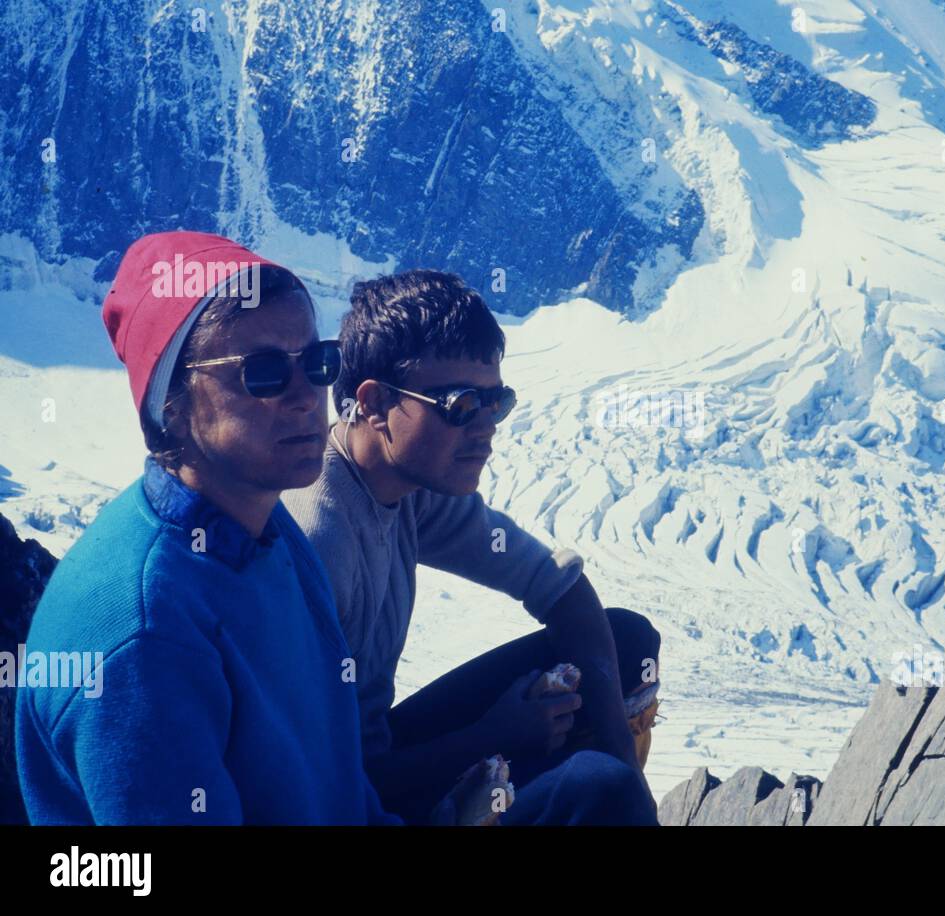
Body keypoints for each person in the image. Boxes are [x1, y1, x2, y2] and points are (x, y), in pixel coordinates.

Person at [16, 231, 399, 825]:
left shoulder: (268, 527)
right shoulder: (143, 631)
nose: (306, 396)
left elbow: (339, 783)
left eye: (319, 363)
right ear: (172, 404)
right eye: (263, 373)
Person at [281, 270, 661, 825]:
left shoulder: (409, 483)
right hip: (342, 799)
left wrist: (625, 764)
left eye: (495, 402)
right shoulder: (319, 540)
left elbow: (563, 592)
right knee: (597, 789)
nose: (485, 428)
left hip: (376, 758)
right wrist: (492, 737)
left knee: (626, 643)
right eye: (459, 405)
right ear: (375, 402)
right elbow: (309, 790)